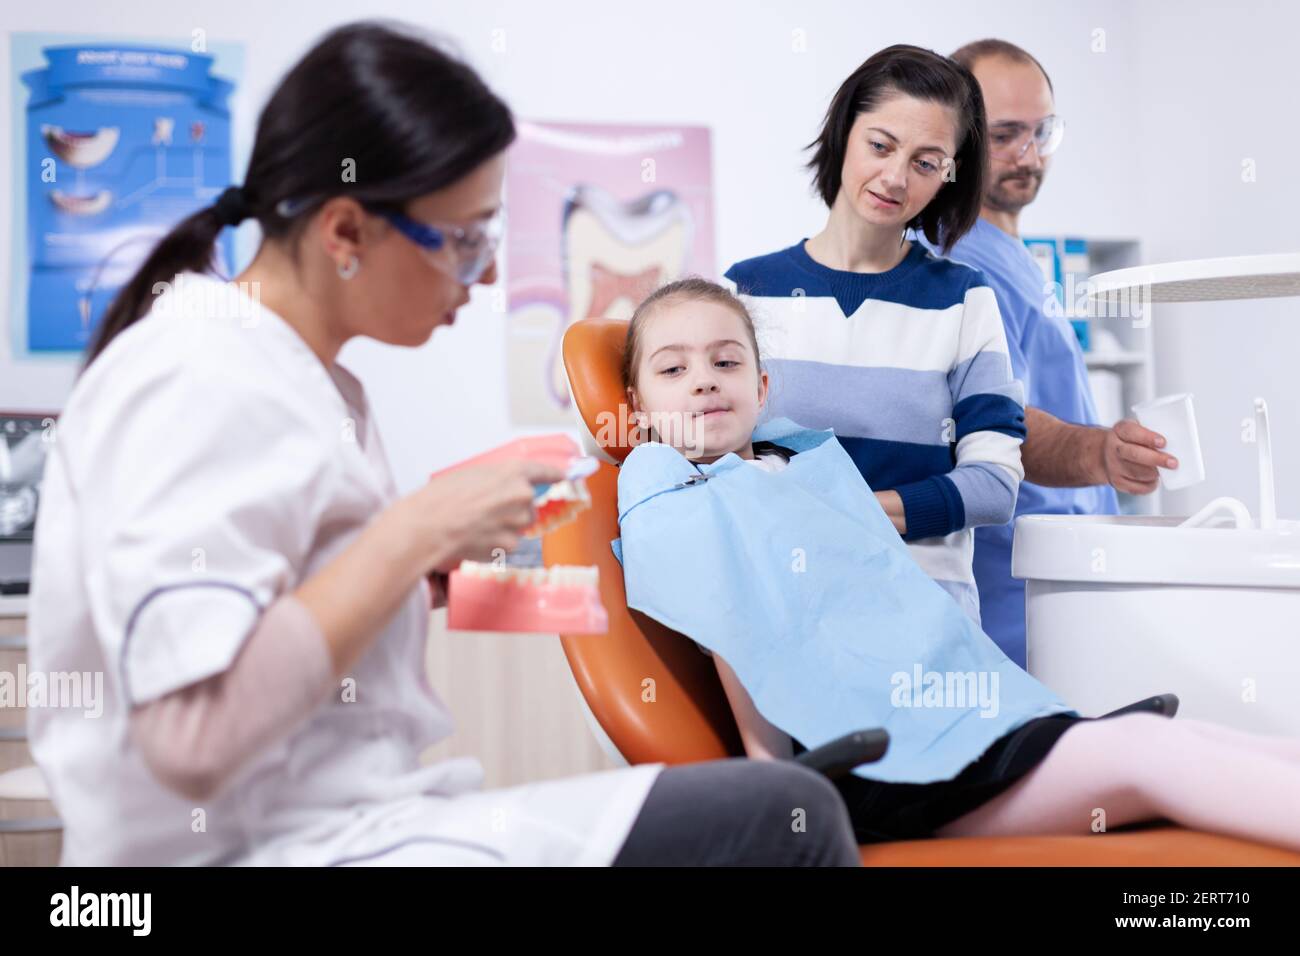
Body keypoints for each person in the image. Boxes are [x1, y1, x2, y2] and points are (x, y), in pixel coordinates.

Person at [25, 21, 860, 867]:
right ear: (346, 233)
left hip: (354, 824)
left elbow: (283, 610)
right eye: (465, 239)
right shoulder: (200, 378)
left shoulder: (301, 380)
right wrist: (412, 531)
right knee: (783, 816)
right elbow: (191, 735)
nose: (489, 274)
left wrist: (436, 577)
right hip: (262, 851)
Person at [616, 275, 1300, 851]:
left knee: (1191, 740)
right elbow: (742, 637)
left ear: (763, 389)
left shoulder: (794, 473)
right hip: (887, 770)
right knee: (1148, 755)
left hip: (963, 726)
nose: (704, 382)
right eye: (673, 370)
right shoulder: (686, 500)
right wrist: (779, 783)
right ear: (639, 411)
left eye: (725, 362)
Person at [725, 44, 1023, 625]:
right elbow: (711, 461)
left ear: (949, 175)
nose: (894, 177)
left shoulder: (963, 300)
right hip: (781, 611)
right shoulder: (744, 292)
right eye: (880, 145)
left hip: (924, 620)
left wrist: (834, 509)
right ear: (844, 133)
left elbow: (993, 486)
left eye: (926, 161)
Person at [918, 39, 1176, 665]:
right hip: (1018, 585)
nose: (1028, 156)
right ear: (955, 139)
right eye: (1005, 134)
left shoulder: (1014, 260)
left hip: (1070, 562)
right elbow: (998, 425)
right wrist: (1101, 453)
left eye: (1043, 132)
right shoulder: (960, 267)